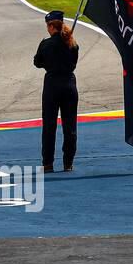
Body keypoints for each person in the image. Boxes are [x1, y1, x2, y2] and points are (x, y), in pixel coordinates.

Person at [33, 9, 79, 173]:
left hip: (52, 85)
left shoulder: (46, 44)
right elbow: (74, 63)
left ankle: (47, 163)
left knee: (49, 126)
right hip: (69, 85)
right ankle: (68, 163)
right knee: (70, 126)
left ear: (52, 26)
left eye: (48, 25)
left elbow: (37, 63)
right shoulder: (72, 43)